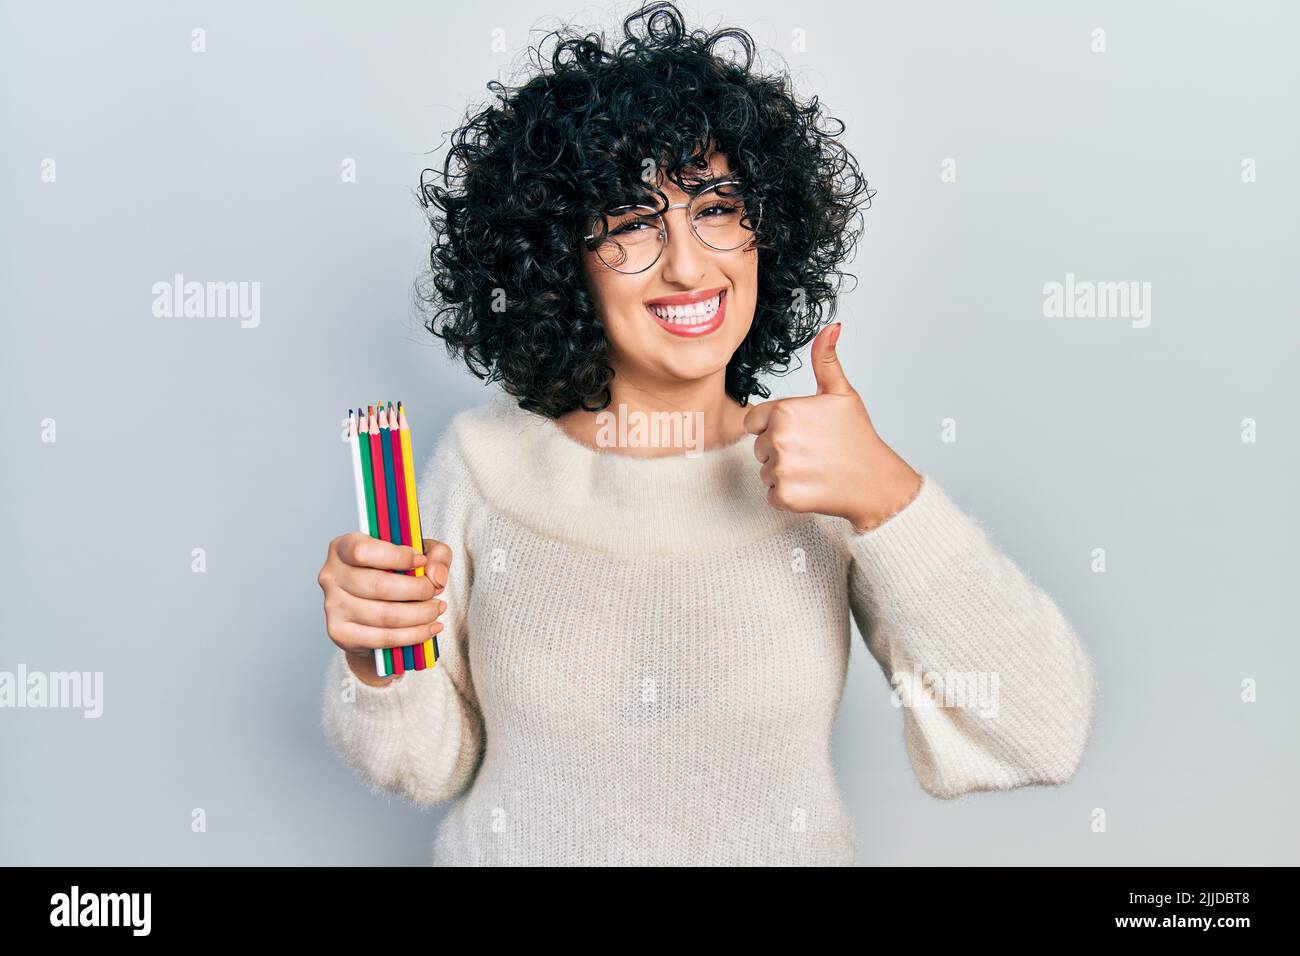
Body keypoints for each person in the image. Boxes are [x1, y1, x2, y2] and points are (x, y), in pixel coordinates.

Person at [316, 1, 1097, 865]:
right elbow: (419, 766)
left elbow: (1041, 733)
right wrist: (373, 661)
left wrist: (890, 500)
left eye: (718, 208)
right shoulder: (485, 463)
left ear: (769, 229)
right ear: (557, 264)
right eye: (629, 225)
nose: (688, 264)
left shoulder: (827, 470)